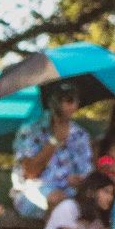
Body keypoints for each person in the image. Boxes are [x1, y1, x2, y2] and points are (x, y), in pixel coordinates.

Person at [11, 84, 93, 217]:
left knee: (94, 202)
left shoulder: (80, 135)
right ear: (51, 101)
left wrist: (80, 180)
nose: (63, 105)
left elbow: (86, 173)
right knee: (61, 203)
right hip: (32, 191)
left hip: (70, 192)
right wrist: (55, 141)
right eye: (60, 99)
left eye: (70, 100)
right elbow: (30, 172)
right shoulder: (29, 130)